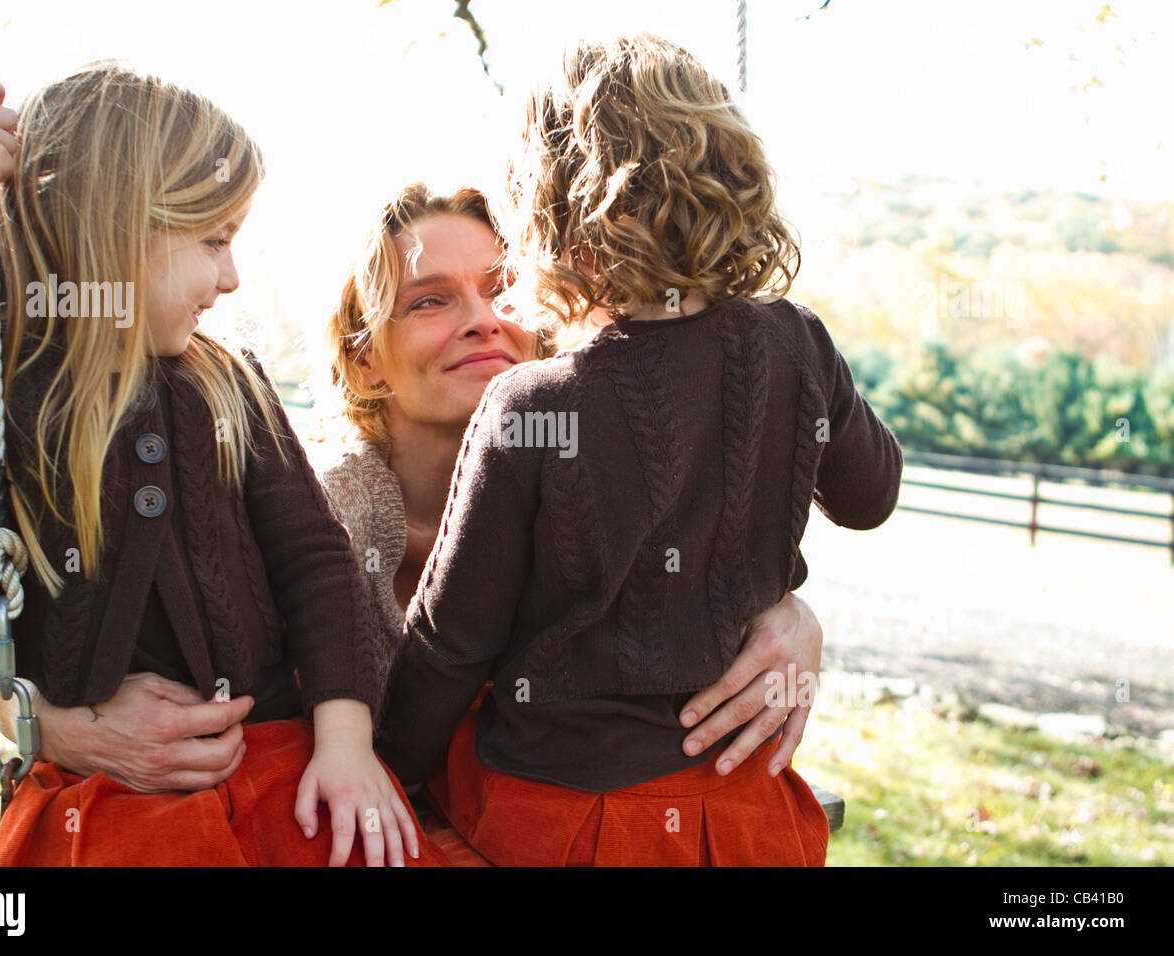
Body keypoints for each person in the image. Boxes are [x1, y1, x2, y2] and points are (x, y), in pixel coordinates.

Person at [0, 65, 442, 867]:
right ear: (109, 228)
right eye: (213, 240)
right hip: (107, 808)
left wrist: (344, 744)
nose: (231, 276)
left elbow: (316, 563)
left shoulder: (228, 381)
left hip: (277, 772)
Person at [374, 35, 903, 866]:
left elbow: (452, 640)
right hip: (740, 810)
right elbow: (870, 498)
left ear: (548, 211)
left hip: (560, 816)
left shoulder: (535, 403)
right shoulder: (798, 343)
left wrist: (388, 774)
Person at [317, 181, 832, 865]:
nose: (483, 319)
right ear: (364, 357)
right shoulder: (320, 522)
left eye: (503, 287)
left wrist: (790, 613)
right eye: (431, 300)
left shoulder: (600, 478)